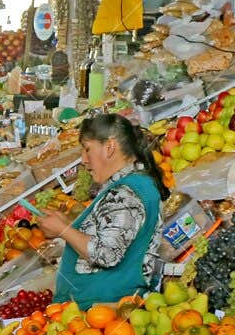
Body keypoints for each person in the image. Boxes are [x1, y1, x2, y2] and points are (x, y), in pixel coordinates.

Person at [43, 113, 168, 305]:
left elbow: (107, 254)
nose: (83, 160)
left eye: (87, 149)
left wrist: (63, 230)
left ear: (109, 147)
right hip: (100, 309)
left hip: (104, 311)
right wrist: (68, 225)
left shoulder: (126, 194)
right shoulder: (131, 185)